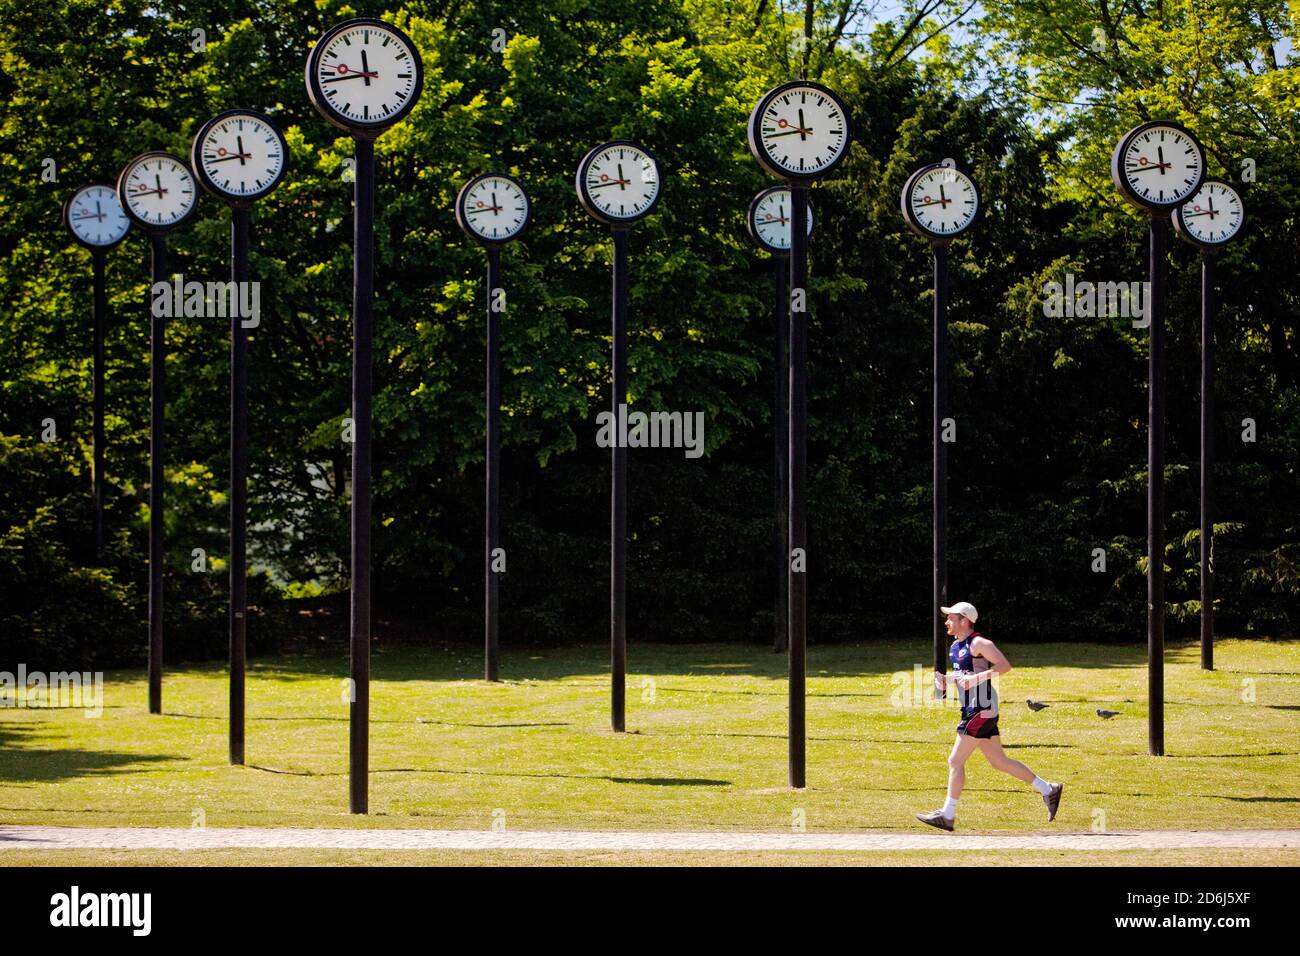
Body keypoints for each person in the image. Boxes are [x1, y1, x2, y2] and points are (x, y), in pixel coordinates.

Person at [915, 601, 1062, 831]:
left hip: (981, 709)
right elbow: (964, 675)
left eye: (951, 618)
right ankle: (1049, 789)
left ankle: (948, 815)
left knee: (955, 760)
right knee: (999, 762)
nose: (947, 621)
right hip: (974, 708)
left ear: (964, 620)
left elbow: (1004, 666)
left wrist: (976, 679)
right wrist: (945, 682)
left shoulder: (979, 643)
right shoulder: (956, 646)